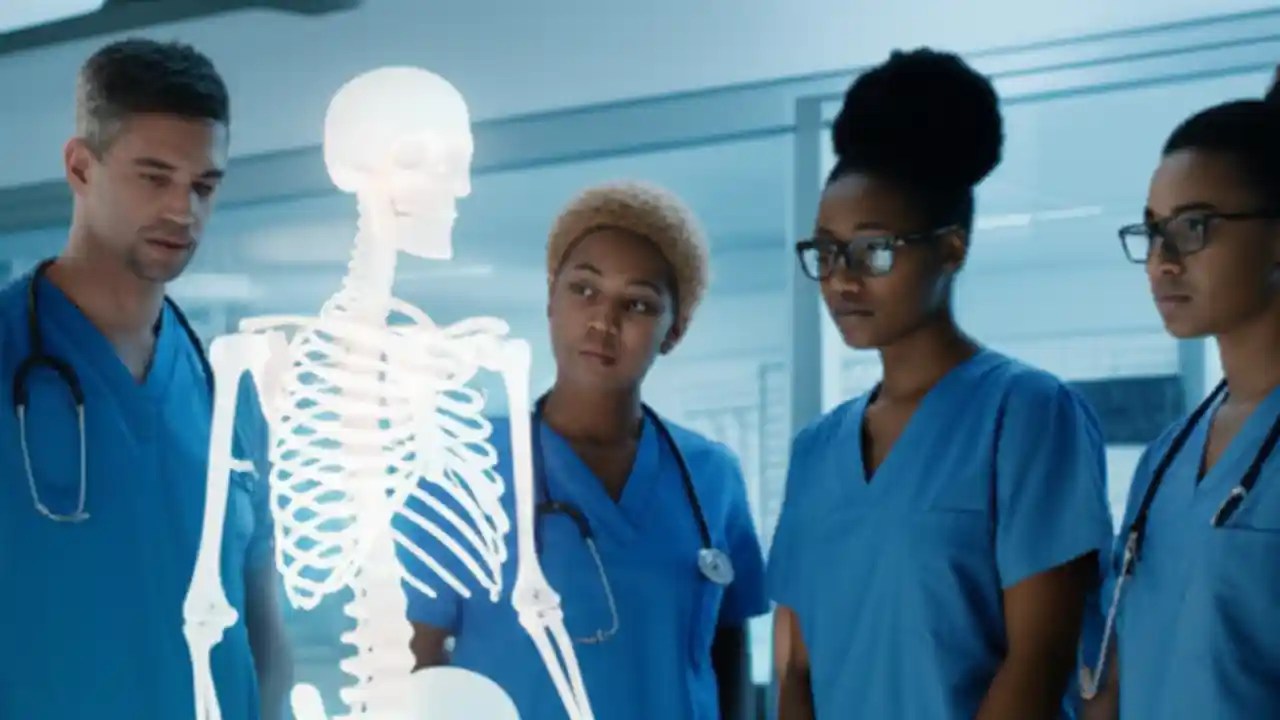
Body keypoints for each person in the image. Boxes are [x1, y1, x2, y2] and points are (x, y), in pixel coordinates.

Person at [767, 48, 1114, 720]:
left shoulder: (1028, 414)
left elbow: (1038, 663)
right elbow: (798, 671)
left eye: (873, 249)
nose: (841, 278)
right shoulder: (817, 450)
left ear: (952, 248)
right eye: (826, 250)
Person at [0, 39, 290, 719]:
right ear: (80, 167)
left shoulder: (229, 397)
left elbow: (263, 630)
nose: (182, 211)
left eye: (203, 186)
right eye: (153, 177)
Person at [404, 181, 769, 720]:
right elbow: (415, 665)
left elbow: (727, 651)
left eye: (639, 303)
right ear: (551, 297)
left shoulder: (711, 475)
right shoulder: (463, 469)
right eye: (584, 290)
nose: (604, 321)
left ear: (675, 331)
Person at [1080, 71, 1280, 720]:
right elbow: (1113, 676)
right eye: (1152, 231)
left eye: (1193, 228)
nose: (1161, 261)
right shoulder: (1164, 459)